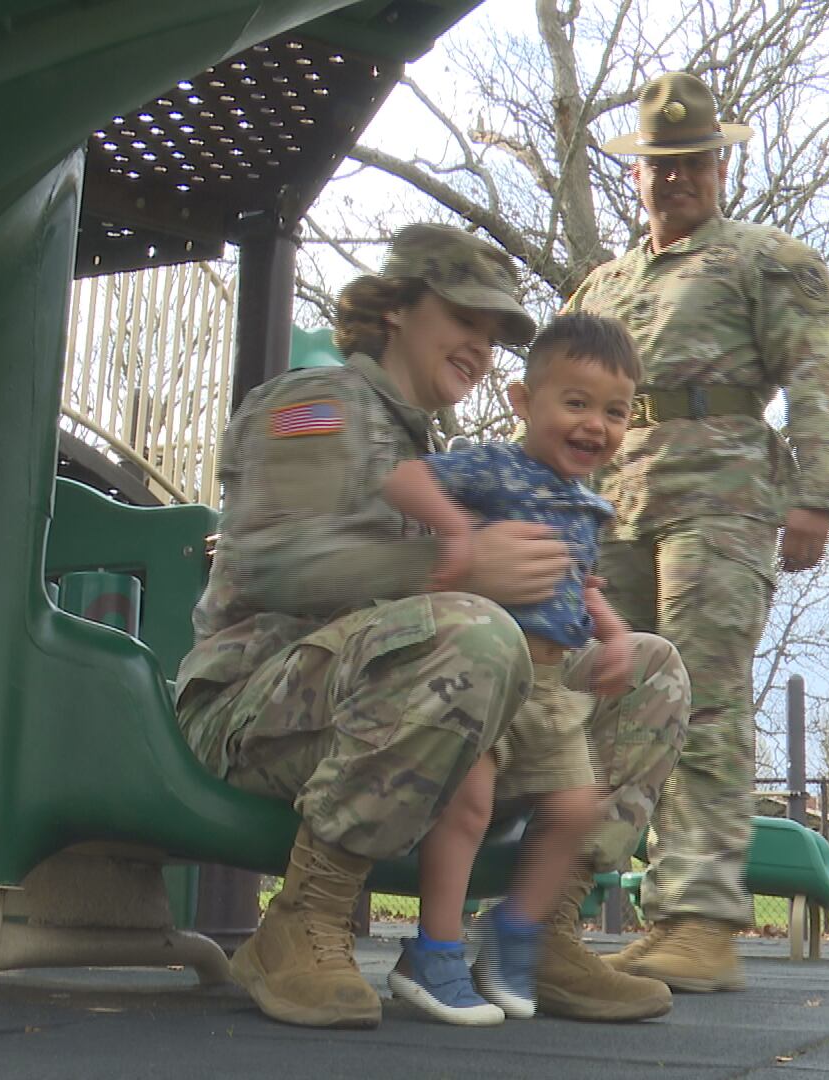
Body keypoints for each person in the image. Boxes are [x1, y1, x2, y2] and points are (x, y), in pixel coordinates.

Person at [175, 222, 689, 1030]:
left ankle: (539, 926)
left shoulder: (459, 458)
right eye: (463, 319)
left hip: (408, 698)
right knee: (473, 630)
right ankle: (303, 917)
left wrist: (585, 620)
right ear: (396, 312)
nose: (481, 345)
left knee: (652, 667)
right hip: (262, 706)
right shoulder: (314, 405)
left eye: (493, 333)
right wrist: (460, 568)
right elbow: (275, 561)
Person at [565, 73, 829, 992]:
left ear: (721, 167)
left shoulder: (764, 262)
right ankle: (575, 904)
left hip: (721, 501)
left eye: (694, 162)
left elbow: (817, 377)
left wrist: (817, 496)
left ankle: (700, 918)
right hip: (613, 506)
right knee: (599, 697)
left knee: (705, 701)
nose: (677, 177)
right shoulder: (603, 285)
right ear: (638, 176)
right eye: (662, 164)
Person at [379, 314, 639, 1020]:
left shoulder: (590, 507)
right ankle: (432, 950)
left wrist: (613, 633)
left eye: (614, 412)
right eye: (575, 403)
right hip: (484, 672)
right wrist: (461, 531)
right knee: (469, 804)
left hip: (550, 687)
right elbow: (405, 477)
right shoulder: (495, 466)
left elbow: (580, 588)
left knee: (578, 808)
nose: (595, 425)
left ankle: (513, 929)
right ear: (524, 402)